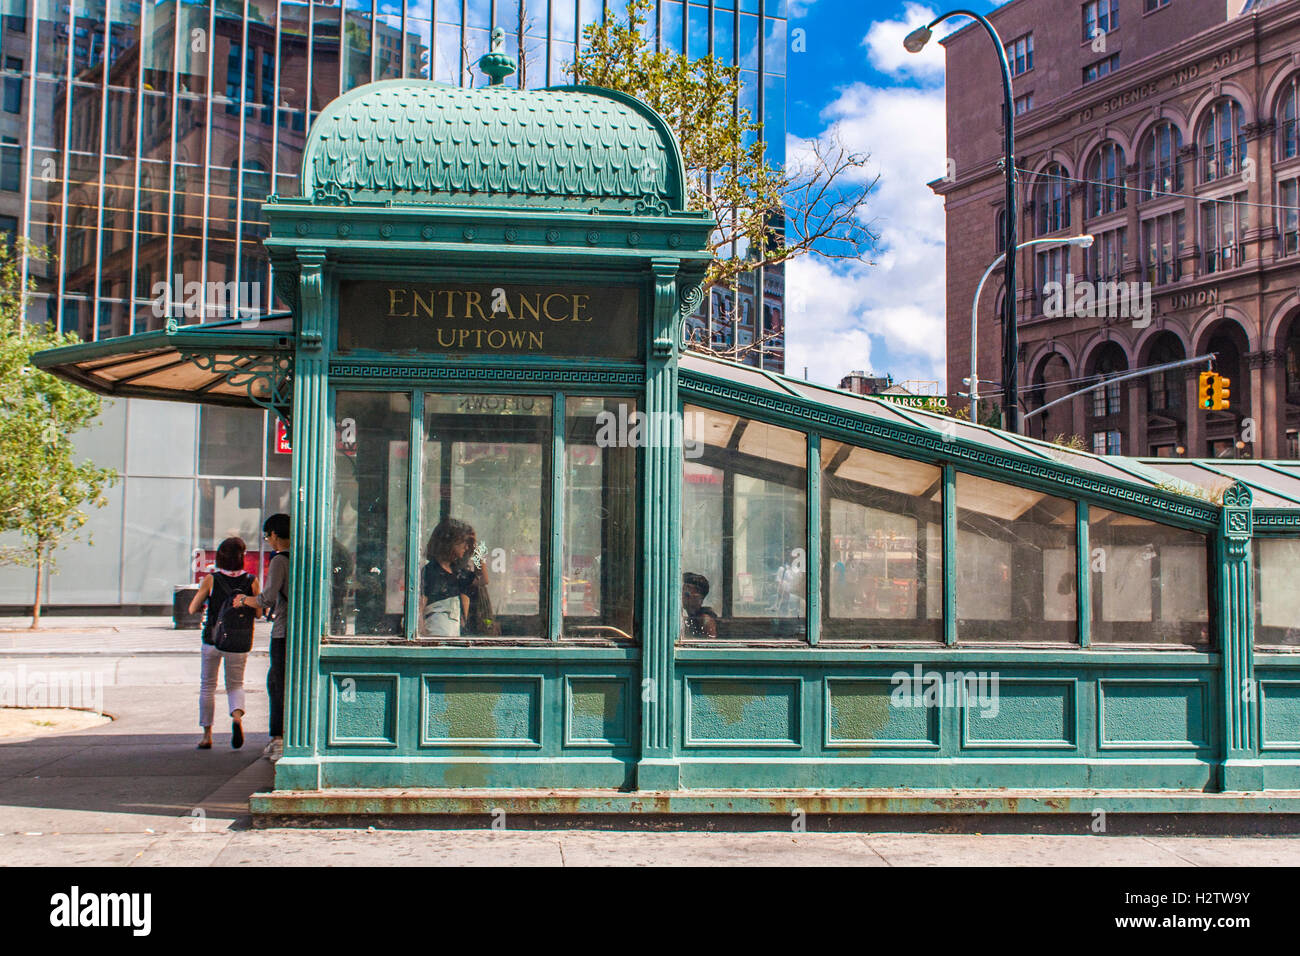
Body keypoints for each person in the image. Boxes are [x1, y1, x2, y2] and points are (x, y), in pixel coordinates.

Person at [188, 536, 261, 750]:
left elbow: (192, 608)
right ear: (242, 558)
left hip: (213, 639)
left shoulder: (212, 579)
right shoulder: (252, 580)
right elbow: (258, 612)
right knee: (236, 685)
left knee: (208, 686)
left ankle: (207, 735)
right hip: (239, 641)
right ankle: (237, 718)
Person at [233, 513, 290, 761]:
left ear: (275, 535)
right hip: (299, 632)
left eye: (267, 536)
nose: (268, 541)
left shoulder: (281, 560)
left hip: (284, 631)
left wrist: (244, 600)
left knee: (277, 685)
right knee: (284, 683)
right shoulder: (304, 557)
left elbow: (266, 599)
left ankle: (279, 738)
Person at [421, 518, 473, 637]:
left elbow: (482, 580)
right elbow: (419, 608)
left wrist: (477, 554)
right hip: (436, 635)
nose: (466, 548)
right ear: (451, 543)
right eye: (464, 543)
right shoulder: (431, 571)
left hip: (453, 635)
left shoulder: (457, 572)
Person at [682, 572, 719, 639]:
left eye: (686, 594)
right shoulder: (690, 616)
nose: (682, 597)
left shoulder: (705, 619)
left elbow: (710, 643)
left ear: (699, 598)